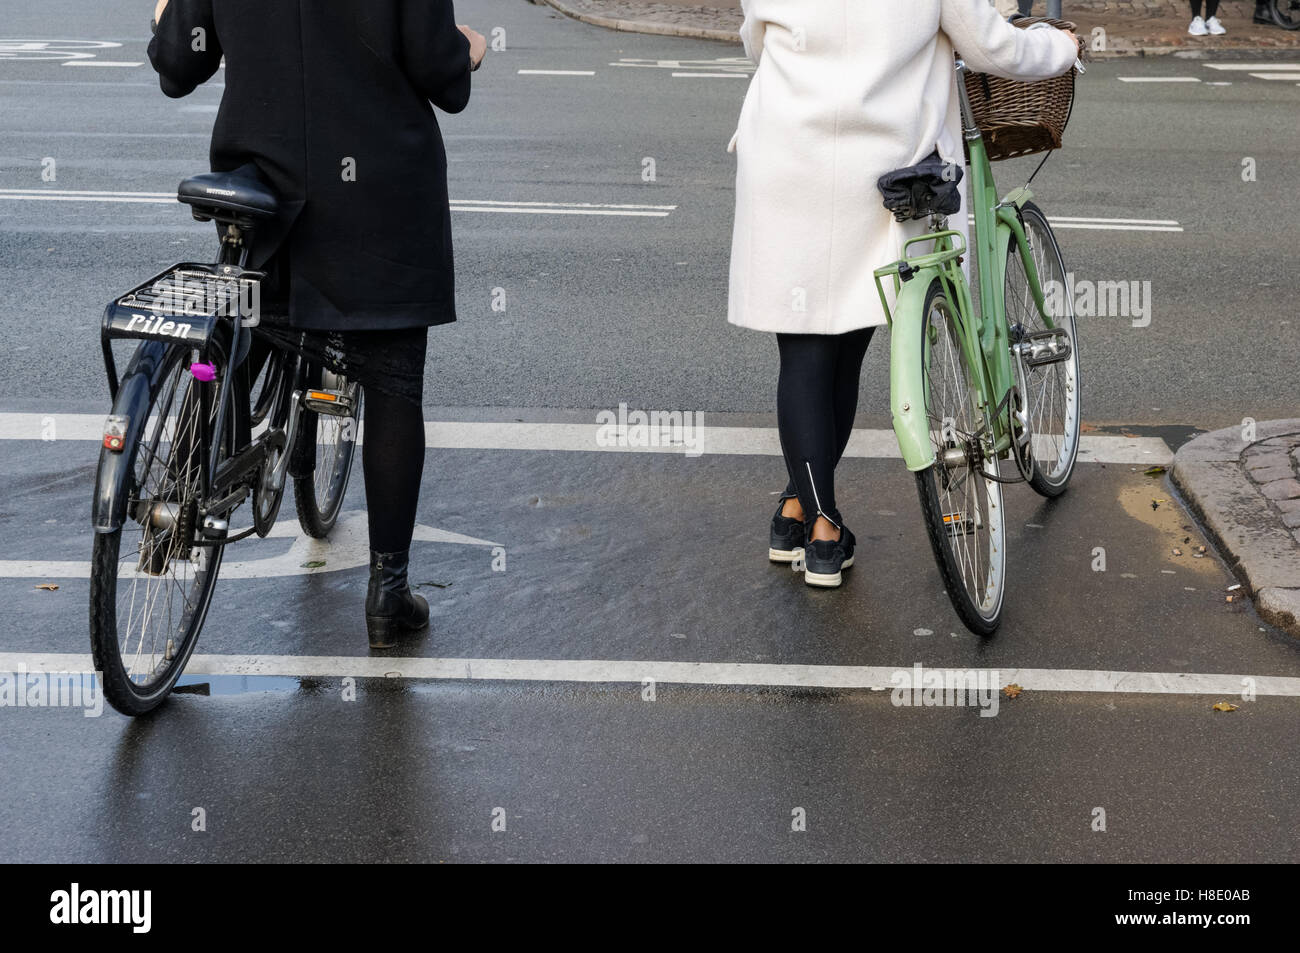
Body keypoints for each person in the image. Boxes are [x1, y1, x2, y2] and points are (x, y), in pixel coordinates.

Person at [148, 0, 487, 648]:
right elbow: (438, 71)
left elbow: (178, 67)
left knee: (248, 311)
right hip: (376, 198)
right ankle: (387, 593)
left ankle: (191, 480)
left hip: (265, 190)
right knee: (392, 382)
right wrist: (466, 48)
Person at [727, 0, 1078, 589]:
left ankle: (801, 512)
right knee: (846, 347)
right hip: (881, 170)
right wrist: (1063, 47)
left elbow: (756, 42)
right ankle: (821, 530)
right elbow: (991, 46)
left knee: (807, 351)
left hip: (789, 157)